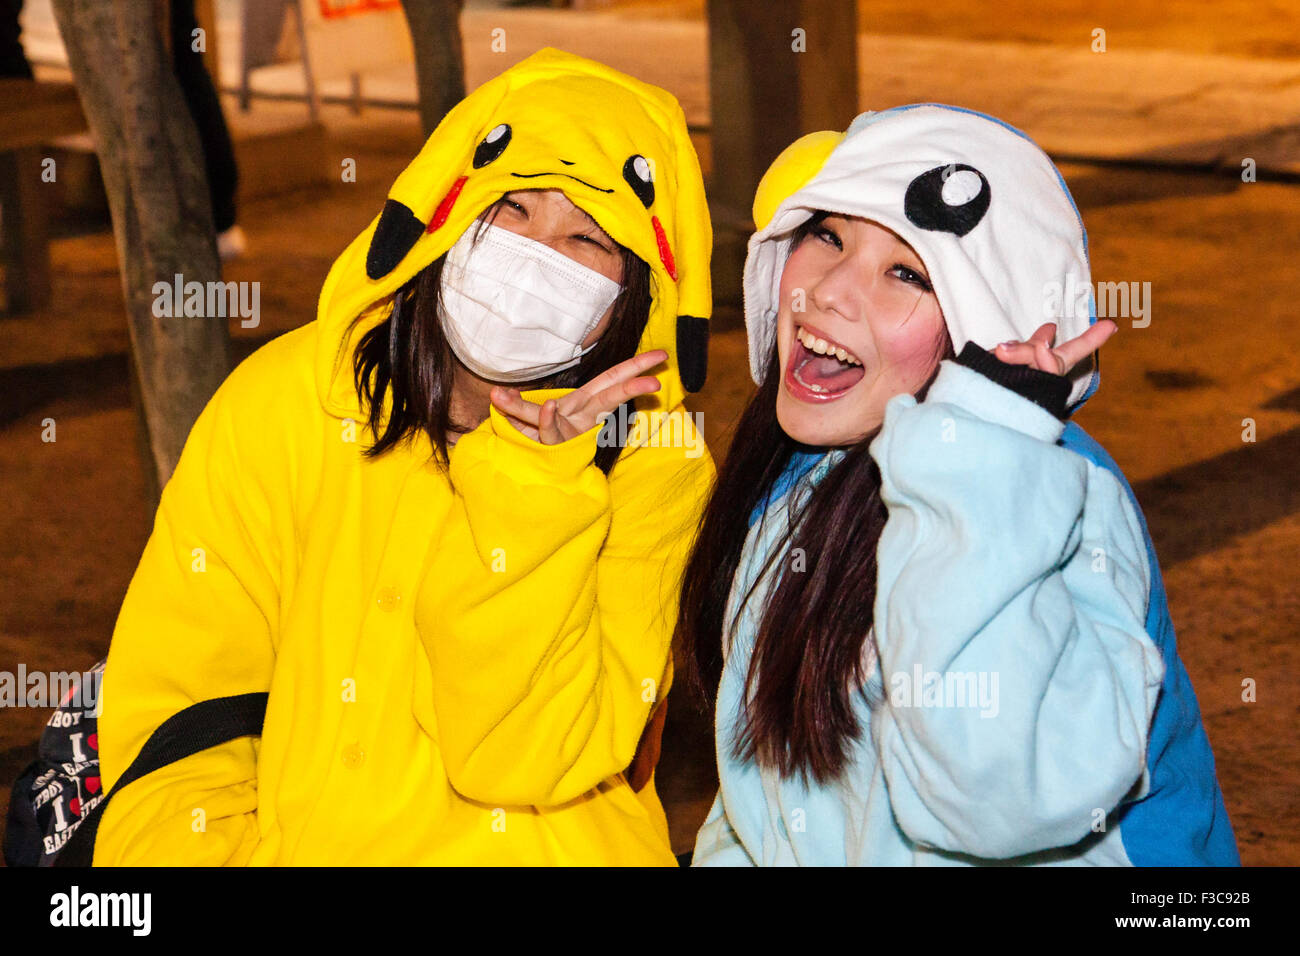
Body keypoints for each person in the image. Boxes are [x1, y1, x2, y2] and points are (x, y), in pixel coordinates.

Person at [93, 48, 714, 865]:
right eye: (512, 211)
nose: (535, 258)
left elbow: (523, 755)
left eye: (586, 238)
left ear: (635, 294)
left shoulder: (653, 463)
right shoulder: (287, 400)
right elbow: (183, 703)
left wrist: (537, 481)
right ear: (445, 218)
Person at [679, 104, 1239, 866]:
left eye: (905, 273)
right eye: (826, 235)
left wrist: (980, 465)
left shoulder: (1058, 505)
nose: (830, 291)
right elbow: (762, 799)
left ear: (988, 326)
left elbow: (997, 803)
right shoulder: (799, 483)